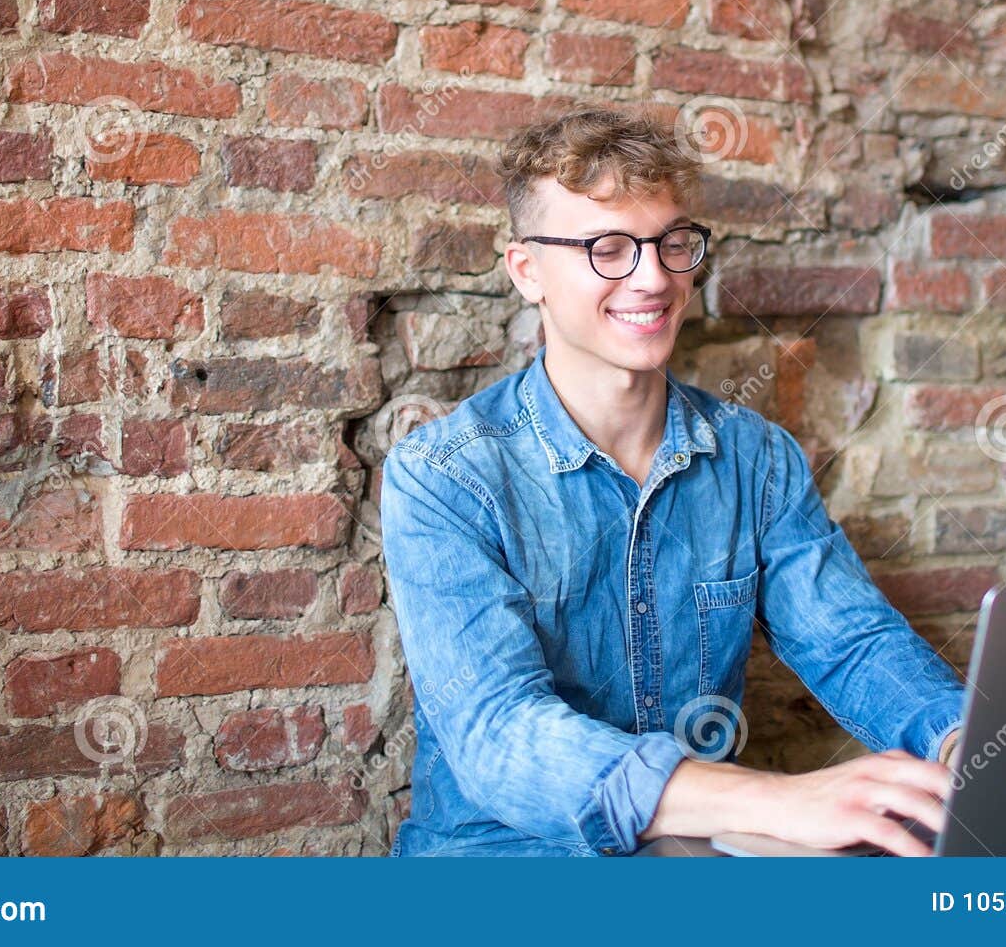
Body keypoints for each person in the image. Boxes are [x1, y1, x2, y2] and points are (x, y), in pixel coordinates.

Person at [379, 106, 964, 856]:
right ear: (528, 271)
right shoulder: (445, 475)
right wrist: (778, 799)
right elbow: (500, 734)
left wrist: (957, 742)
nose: (653, 277)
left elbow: (851, 642)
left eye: (672, 242)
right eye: (609, 248)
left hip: (690, 854)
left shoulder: (757, 456)